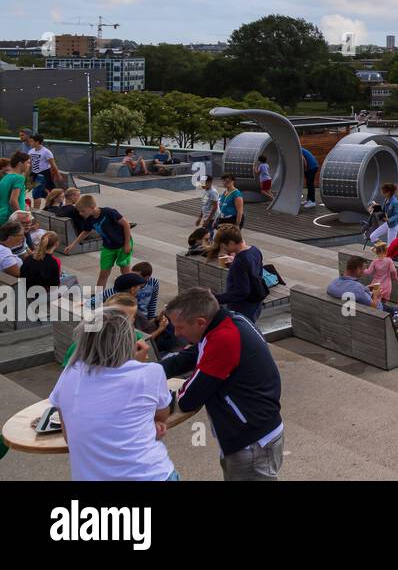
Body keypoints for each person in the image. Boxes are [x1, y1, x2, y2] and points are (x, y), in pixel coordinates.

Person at [162, 287, 284, 480]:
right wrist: (149, 372)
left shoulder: (223, 339)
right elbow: (186, 358)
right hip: (253, 434)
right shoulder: (229, 322)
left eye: (180, 327)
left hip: (250, 443)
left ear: (201, 322)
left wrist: (162, 399)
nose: (176, 333)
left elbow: (189, 399)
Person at [49, 309, 178, 481]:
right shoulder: (151, 373)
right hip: (150, 475)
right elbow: (161, 415)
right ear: (128, 342)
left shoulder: (69, 374)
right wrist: (136, 365)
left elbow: (69, 436)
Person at [72, 195, 133, 291]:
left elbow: (126, 224)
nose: (80, 213)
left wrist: (127, 244)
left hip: (122, 244)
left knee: (125, 271)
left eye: (83, 211)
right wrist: (73, 244)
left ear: (92, 208)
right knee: (103, 273)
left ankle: (132, 293)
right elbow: (86, 231)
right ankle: (98, 297)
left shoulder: (109, 212)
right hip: (108, 247)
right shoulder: (89, 218)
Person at [212, 224, 268, 324]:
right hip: (255, 303)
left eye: (223, 246)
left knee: (240, 333)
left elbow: (242, 292)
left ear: (231, 243)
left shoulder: (240, 261)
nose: (222, 249)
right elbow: (256, 273)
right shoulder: (255, 250)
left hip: (243, 308)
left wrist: (216, 298)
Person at [26, 134, 60, 209]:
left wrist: (58, 176)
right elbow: (31, 165)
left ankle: (35, 214)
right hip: (34, 174)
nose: (30, 143)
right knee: (44, 193)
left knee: (36, 193)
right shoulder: (31, 151)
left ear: (37, 142)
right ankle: (52, 206)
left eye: (31, 141)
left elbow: (53, 165)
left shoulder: (46, 152)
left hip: (43, 174)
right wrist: (27, 175)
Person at [0, 151, 30, 227]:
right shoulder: (19, 178)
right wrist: (21, 216)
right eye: (27, 163)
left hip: (3, 215)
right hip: (11, 218)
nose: (29, 165)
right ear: (20, 163)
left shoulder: (6, 177)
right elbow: (13, 200)